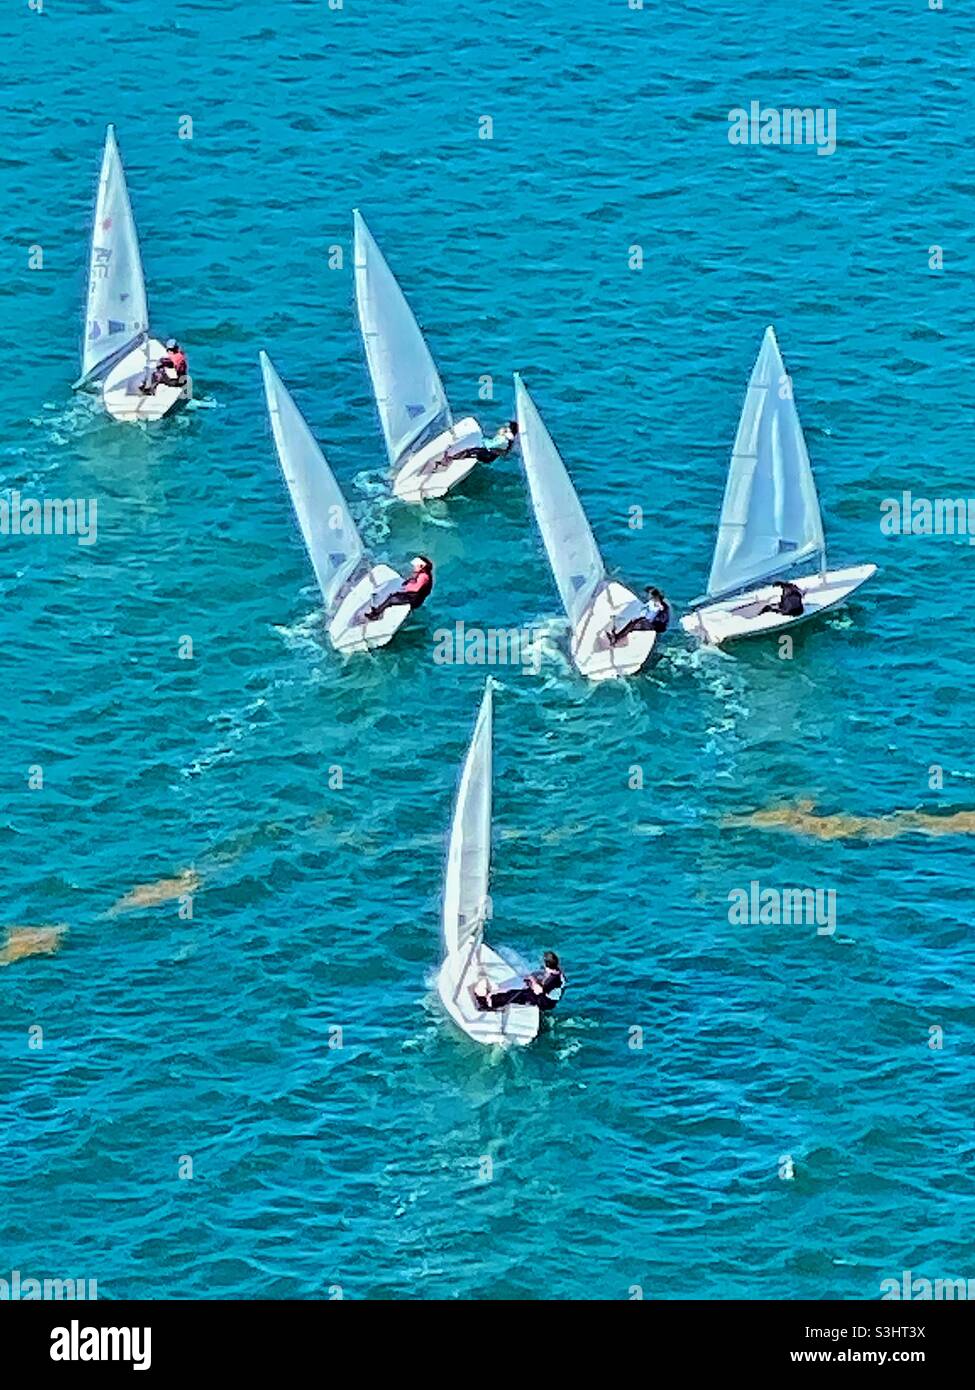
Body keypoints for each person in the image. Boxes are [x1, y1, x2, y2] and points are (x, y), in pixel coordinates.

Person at [473, 950, 565, 1013]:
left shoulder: (553, 979)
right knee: (519, 988)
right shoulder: (556, 972)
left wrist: (532, 980)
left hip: (545, 1002)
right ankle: (494, 996)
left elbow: (538, 990)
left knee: (517, 994)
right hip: (546, 997)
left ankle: (487, 1003)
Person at [364, 555, 434, 621]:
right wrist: (408, 582)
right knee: (392, 594)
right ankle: (378, 609)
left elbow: (416, 588)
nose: (414, 567)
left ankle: (375, 614)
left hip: (414, 599)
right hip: (414, 596)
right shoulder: (423, 573)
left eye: (416, 566)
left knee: (391, 599)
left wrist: (405, 588)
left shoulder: (423, 576)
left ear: (421, 566)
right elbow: (415, 582)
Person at [434, 420, 518, 470]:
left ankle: (447, 460)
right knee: (471, 448)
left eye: (506, 428)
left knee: (469, 450)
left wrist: (481, 441)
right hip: (488, 453)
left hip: (487, 455)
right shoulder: (505, 439)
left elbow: (490, 445)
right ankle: (450, 458)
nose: (503, 428)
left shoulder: (503, 440)